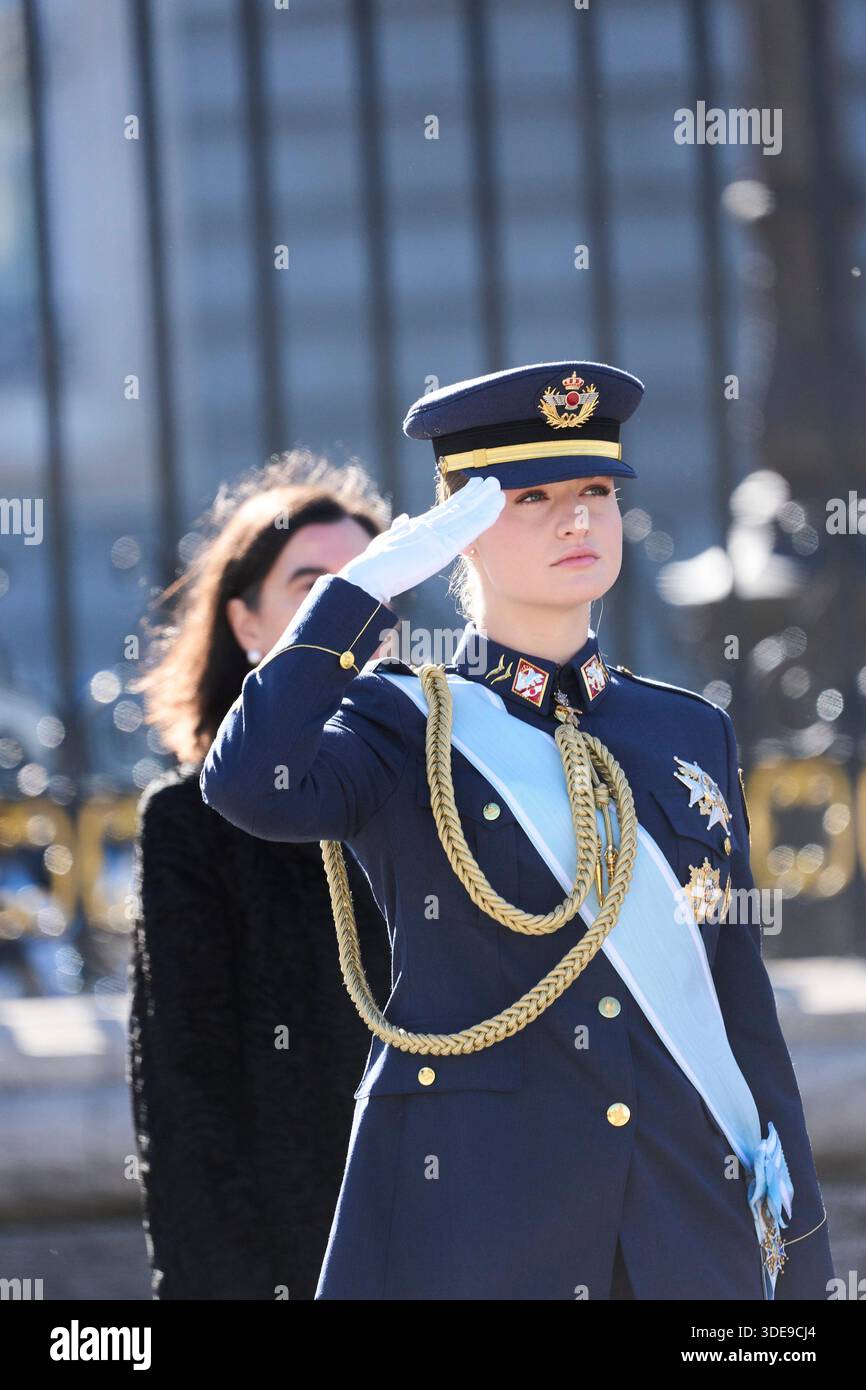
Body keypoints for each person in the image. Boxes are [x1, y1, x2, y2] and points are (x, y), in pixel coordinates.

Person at [199, 363, 833, 1301]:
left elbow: (739, 1006)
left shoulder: (686, 728)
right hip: (480, 1222)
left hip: (681, 1223)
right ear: (463, 531)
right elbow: (250, 784)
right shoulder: (402, 720)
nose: (577, 520)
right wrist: (359, 589)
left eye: (596, 493)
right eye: (532, 498)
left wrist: (802, 1260)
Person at [127, 450, 391, 1299]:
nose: (345, 616)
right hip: (283, 1259)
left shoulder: (449, 792)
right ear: (246, 624)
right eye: (315, 589)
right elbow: (185, 1088)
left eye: (365, 589)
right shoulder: (191, 826)